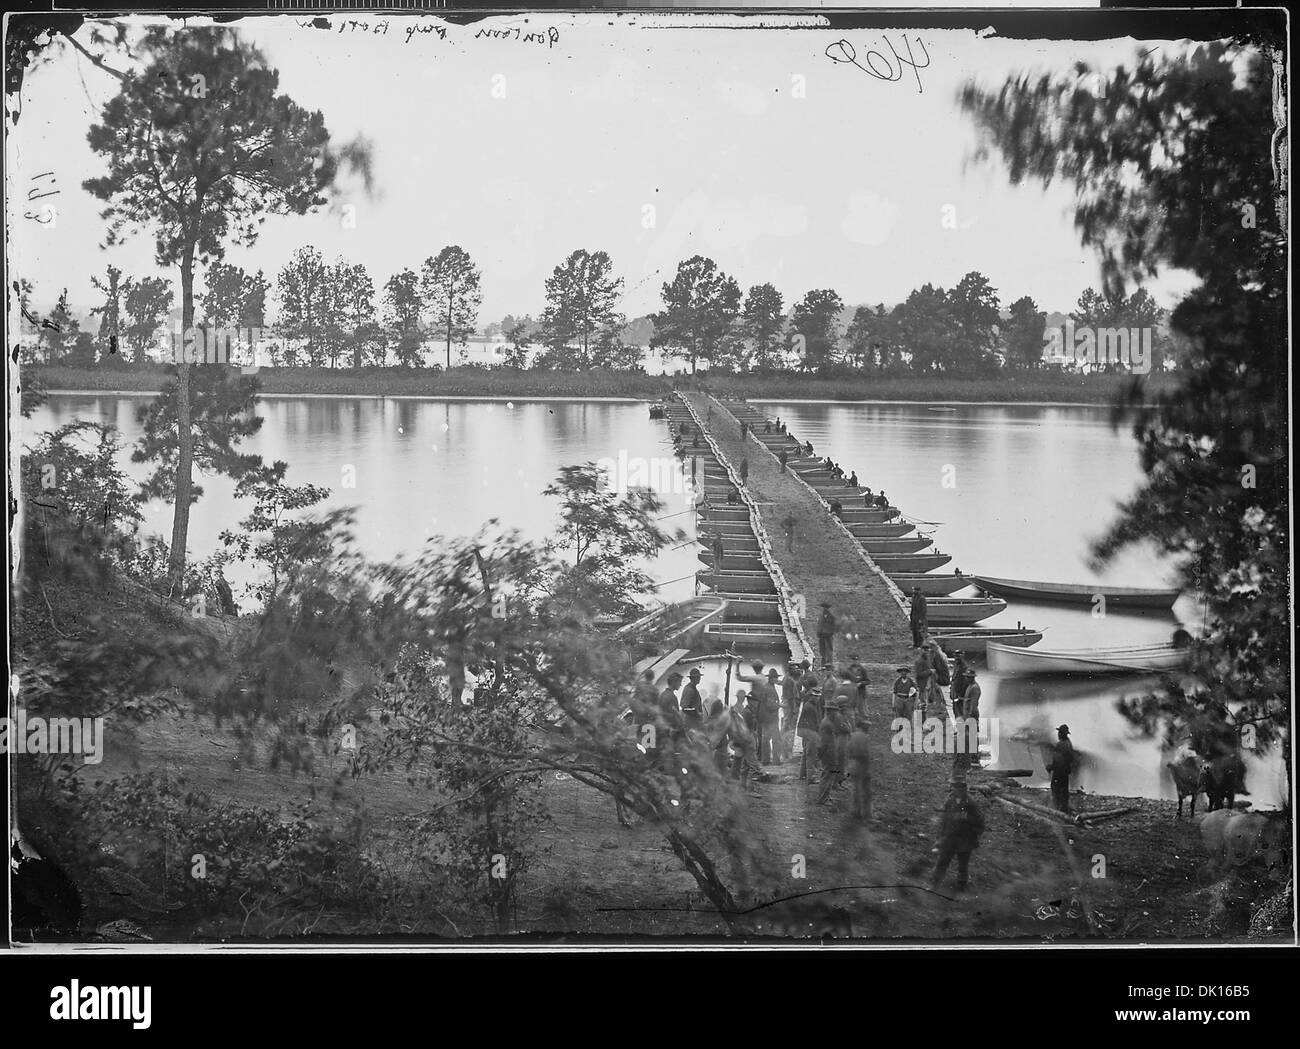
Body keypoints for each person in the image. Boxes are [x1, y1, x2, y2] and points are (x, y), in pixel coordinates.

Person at [930, 782, 985, 892]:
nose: (955, 790)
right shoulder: (950, 800)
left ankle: (961, 887)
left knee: (962, 865)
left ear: (964, 789)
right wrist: (940, 836)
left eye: (958, 788)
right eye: (954, 787)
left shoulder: (971, 803)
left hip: (965, 839)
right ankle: (934, 885)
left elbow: (980, 821)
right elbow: (944, 820)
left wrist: (966, 818)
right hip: (950, 837)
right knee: (942, 862)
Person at [816, 700, 844, 804]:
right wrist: (821, 755)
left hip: (831, 754)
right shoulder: (827, 724)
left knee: (829, 776)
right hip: (828, 755)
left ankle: (825, 796)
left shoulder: (828, 722)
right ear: (830, 711)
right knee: (827, 776)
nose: (836, 713)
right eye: (835, 711)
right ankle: (822, 799)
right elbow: (823, 743)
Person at [1047, 724, 1077, 813]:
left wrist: (1050, 767)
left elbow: (1057, 760)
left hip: (1059, 772)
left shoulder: (1060, 744)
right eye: (1059, 732)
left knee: (1056, 789)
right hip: (1065, 771)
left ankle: (1057, 810)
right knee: (1064, 790)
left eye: (1060, 732)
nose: (1058, 734)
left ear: (1062, 734)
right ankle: (1064, 808)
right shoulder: (1068, 743)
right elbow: (1071, 758)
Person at [847, 718, 872, 821]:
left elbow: (847, 750)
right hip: (862, 763)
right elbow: (866, 753)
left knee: (855, 788)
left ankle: (855, 811)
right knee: (866, 791)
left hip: (852, 763)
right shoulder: (865, 737)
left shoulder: (852, 736)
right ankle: (866, 814)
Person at [951, 651, 970, 719]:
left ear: (962, 656)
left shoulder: (965, 667)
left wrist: (961, 695)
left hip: (960, 695)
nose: (956, 658)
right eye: (955, 656)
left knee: (961, 712)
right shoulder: (957, 666)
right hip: (955, 693)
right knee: (956, 711)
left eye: (958, 656)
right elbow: (954, 679)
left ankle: (963, 728)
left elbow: (965, 683)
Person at [816, 601, 835, 666]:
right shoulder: (821, 616)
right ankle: (823, 665)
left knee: (829, 651)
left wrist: (829, 633)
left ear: (828, 608)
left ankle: (830, 665)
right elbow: (819, 625)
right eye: (824, 607)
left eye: (826, 608)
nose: (825, 609)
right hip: (821, 636)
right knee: (822, 651)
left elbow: (834, 627)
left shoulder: (831, 617)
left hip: (828, 636)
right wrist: (818, 633)